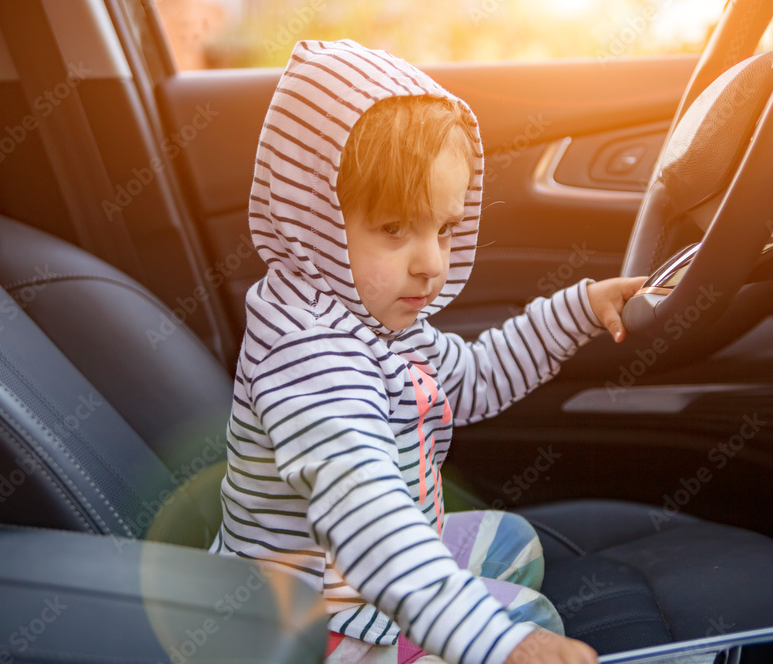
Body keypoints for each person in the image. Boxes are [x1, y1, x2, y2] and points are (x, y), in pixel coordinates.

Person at [209, 39, 646, 664]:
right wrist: (500, 641)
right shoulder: (309, 354)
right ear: (314, 217)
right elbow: (368, 521)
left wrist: (577, 311)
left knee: (514, 543)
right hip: (319, 621)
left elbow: (472, 376)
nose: (433, 264)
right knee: (530, 618)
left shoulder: (376, 320)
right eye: (395, 229)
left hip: (371, 571)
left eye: (444, 228)